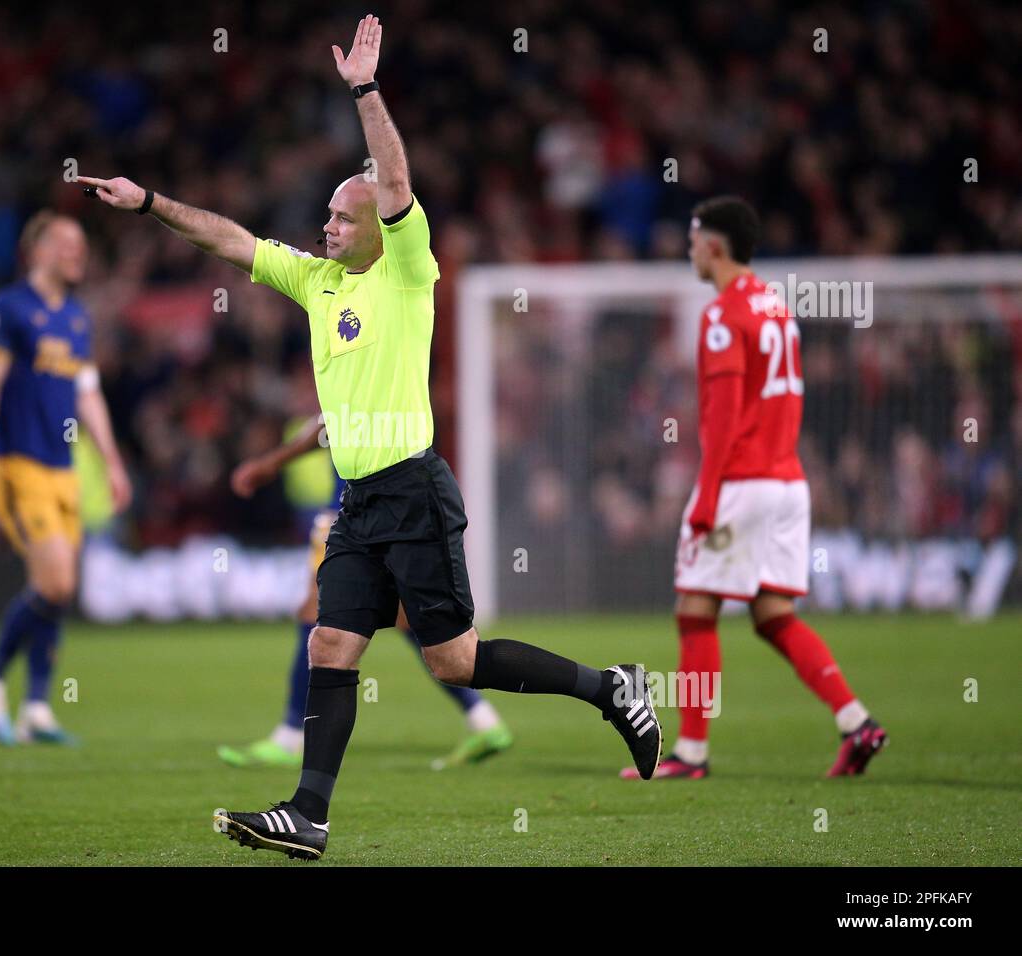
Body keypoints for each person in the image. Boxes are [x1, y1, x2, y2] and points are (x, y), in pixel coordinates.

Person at [81, 15, 660, 860]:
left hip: (414, 489)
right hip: (360, 502)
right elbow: (227, 237)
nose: (329, 229)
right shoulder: (315, 283)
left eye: (342, 221)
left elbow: (392, 177)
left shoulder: (406, 269)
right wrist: (149, 204)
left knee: (457, 662)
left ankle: (612, 689)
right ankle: (308, 814)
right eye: (326, 218)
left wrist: (363, 90)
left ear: (377, 228)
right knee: (331, 639)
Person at [622, 196, 887, 780]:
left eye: (693, 241)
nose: (689, 251)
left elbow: (721, 419)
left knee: (695, 609)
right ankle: (855, 721)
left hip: (741, 483)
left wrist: (708, 499)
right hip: (787, 482)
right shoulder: (777, 309)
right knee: (772, 615)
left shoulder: (722, 316)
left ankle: (691, 753)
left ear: (713, 246)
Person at [219, 413, 512, 772]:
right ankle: (483, 719)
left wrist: (271, 462)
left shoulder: (353, 370)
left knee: (314, 613)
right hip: (394, 502)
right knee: (408, 618)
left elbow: (332, 424)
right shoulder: (392, 381)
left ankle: (291, 736)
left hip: (353, 504)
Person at [0, 212, 131, 746]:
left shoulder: (78, 319)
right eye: (65, 243)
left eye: (81, 243)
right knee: (54, 582)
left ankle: (35, 708)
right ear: (36, 251)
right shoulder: (8, 310)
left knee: (57, 591)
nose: (77, 252)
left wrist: (112, 461)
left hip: (63, 467)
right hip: (18, 463)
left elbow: (88, 395)